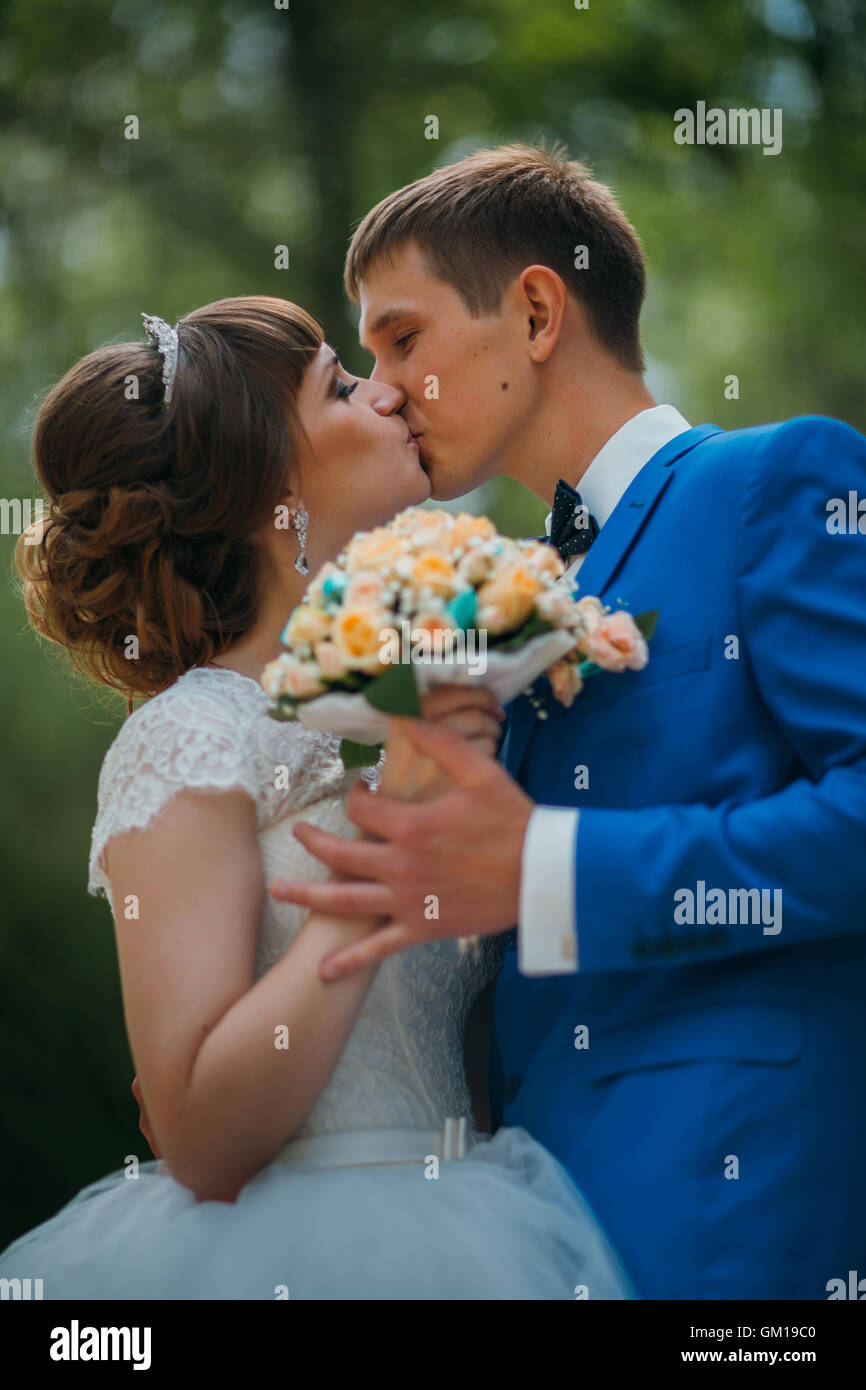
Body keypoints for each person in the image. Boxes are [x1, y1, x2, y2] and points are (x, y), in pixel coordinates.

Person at [271, 143, 866, 1300]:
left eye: (402, 337)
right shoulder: (500, 600)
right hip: (529, 1229)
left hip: (736, 1218)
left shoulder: (773, 480)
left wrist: (554, 865)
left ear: (536, 310)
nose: (382, 386)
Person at [0, 294, 634, 1300]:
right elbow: (203, 1139)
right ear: (269, 490)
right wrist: (390, 855)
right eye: (340, 385)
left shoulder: (395, 710)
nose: (388, 392)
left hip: (484, 1218)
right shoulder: (187, 736)